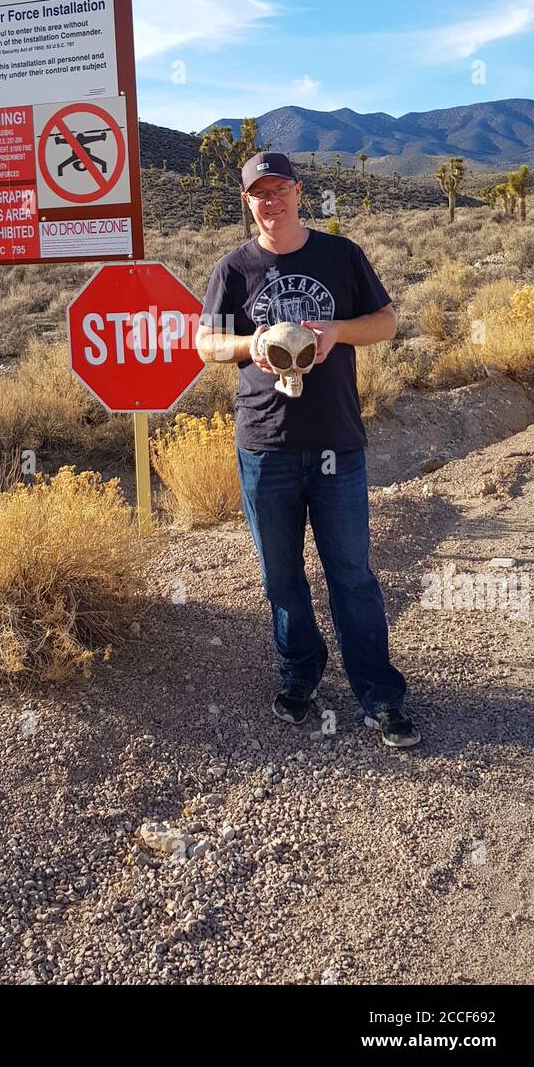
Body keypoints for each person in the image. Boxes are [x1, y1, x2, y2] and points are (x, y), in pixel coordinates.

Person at [195, 150, 420, 749]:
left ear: (299, 191)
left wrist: (337, 331)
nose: (271, 202)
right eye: (258, 194)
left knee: (351, 573)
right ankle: (300, 675)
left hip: (336, 443)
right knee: (281, 575)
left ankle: (378, 694)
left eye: (280, 190)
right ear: (247, 202)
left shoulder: (340, 255)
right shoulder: (235, 268)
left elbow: (386, 323)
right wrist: (255, 342)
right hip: (265, 444)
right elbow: (205, 345)